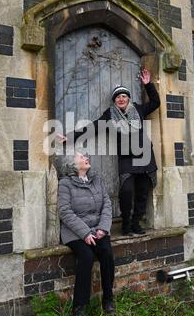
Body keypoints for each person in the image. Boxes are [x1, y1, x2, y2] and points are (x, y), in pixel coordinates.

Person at [58, 68, 160, 237]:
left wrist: (148, 85)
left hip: (145, 157)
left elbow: (156, 103)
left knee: (142, 192)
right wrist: (70, 137)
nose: (121, 98)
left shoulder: (139, 110)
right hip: (127, 159)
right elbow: (92, 127)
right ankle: (126, 223)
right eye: (118, 97)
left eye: (124, 96)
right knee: (126, 192)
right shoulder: (110, 116)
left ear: (128, 98)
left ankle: (136, 223)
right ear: (114, 101)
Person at [57, 150, 115, 316]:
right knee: (86, 257)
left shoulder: (97, 179)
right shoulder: (65, 184)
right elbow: (65, 212)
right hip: (75, 231)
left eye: (86, 156)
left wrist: (103, 228)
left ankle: (108, 299)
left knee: (106, 252)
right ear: (72, 164)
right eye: (82, 157)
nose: (86, 158)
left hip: (97, 229)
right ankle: (79, 309)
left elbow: (107, 204)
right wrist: (84, 233)